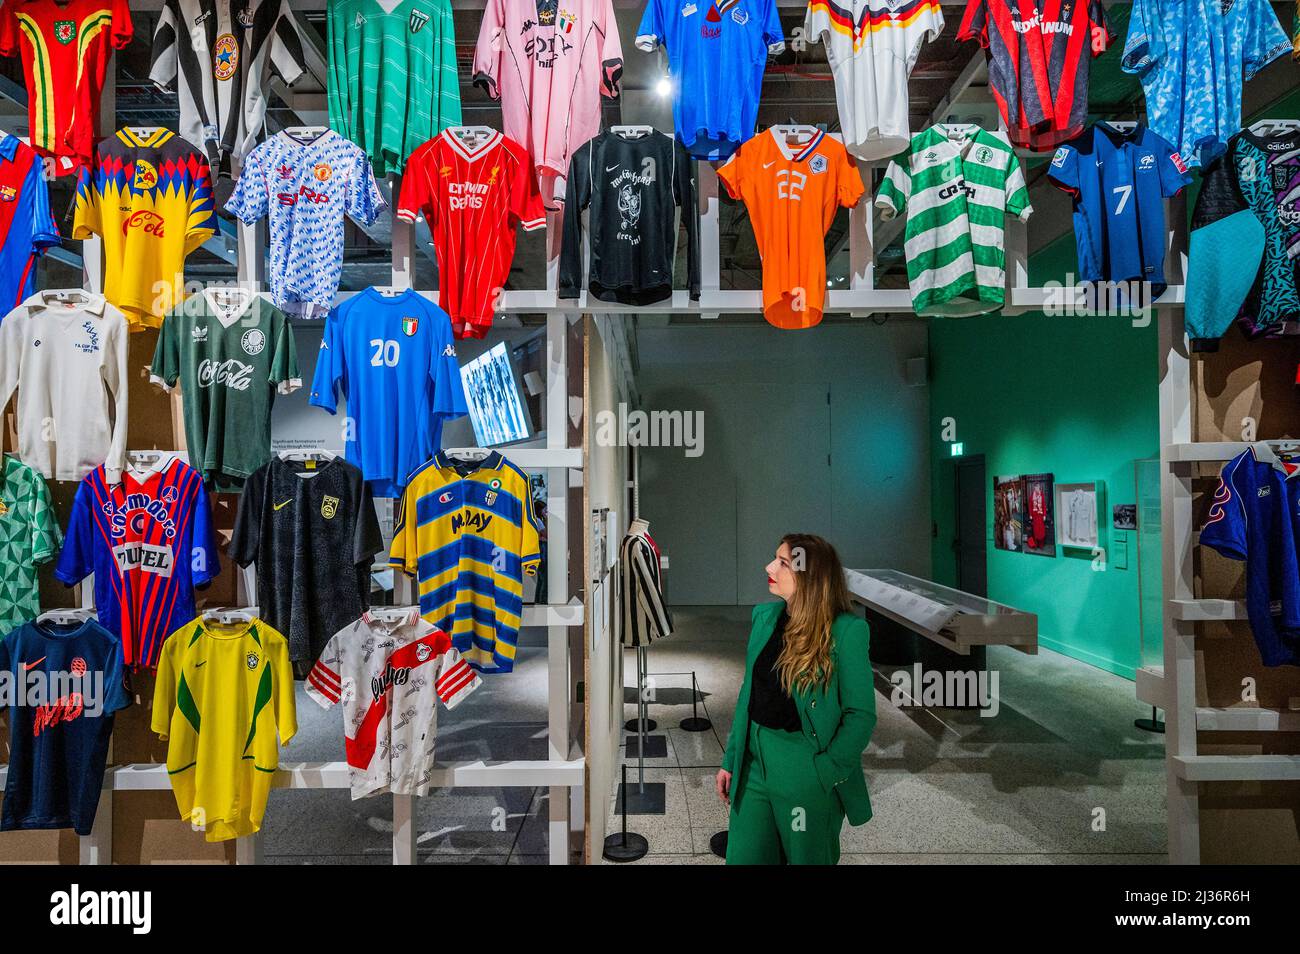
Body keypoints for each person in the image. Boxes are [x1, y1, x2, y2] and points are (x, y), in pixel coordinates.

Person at [715, 533, 876, 864]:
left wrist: (825, 771)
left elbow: (861, 714)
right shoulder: (765, 618)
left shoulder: (845, 632)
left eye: (783, 563)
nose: (769, 567)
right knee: (745, 856)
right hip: (754, 764)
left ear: (809, 575)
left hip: (805, 767)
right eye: (775, 558)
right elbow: (750, 693)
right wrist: (732, 758)